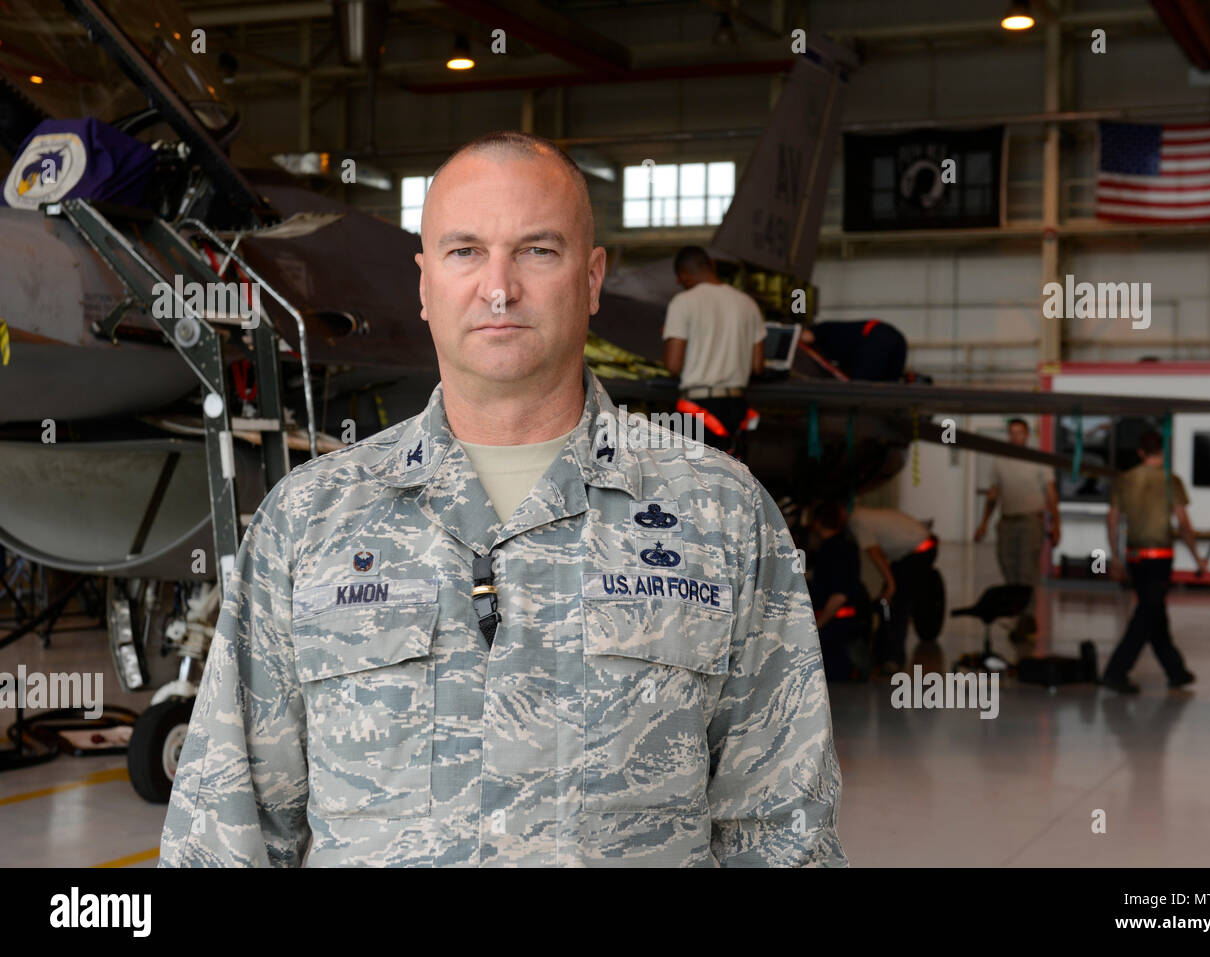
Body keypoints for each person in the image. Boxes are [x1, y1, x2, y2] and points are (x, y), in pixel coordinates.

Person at [158, 131, 845, 867]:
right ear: (423, 284)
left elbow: (782, 833)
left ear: (591, 278)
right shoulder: (307, 521)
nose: (498, 287)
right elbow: (227, 832)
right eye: (465, 251)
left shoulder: (722, 516)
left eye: (537, 250)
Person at [1100, 429, 1205, 694]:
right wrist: (1197, 558)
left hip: (1135, 557)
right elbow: (1183, 524)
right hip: (1160, 558)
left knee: (1154, 611)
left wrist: (1114, 557)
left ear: (1140, 453)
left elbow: (1112, 520)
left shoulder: (1124, 479)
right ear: (1162, 453)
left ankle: (1176, 671)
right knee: (1147, 613)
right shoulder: (1172, 481)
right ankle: (1115, 672)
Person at [662, 246, 766, 453]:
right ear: (712, 266)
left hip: (697, 410)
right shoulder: (748, 304)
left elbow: (673, 365)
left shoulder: (683, 302)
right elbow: (758, 367)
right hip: (736, 408)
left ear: (683, 275)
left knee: (692, 481)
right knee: (736, 480)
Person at [973, 418, 1060, 643]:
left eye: (1020, 433)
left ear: (1027, 435)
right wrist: (983, 523)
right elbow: (994, 493)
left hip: (1031, 521)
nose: (1015, 437)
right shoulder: (1000, 460)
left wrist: (1056, 525)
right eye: (1012, 433)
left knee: (1027, 570)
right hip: (1007, 521)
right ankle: (1017, 610)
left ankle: (1027, 617)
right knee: (1007, 565)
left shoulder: (1038, 460)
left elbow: (1051, 494)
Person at [847, 505, 935, 672]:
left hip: (916, 552)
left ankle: (893, 659)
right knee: (888, 603)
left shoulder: (856, 522)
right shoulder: (861, 514)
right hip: (913, 548)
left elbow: (875, 553)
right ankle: (881, 654)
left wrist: (891, 585)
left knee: (898, 605)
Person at [805, 501, 871, 682]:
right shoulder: (846, 545)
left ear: (817, 522)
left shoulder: (831, 550)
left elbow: (839, 596)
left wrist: (818, 625)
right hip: (843, 624)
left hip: (835, 630)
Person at [799, 319, 908, 382]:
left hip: (876, 334)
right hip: (897, 339)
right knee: (889, 384)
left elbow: (805, 337)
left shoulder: (820, 329)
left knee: (860, 386)